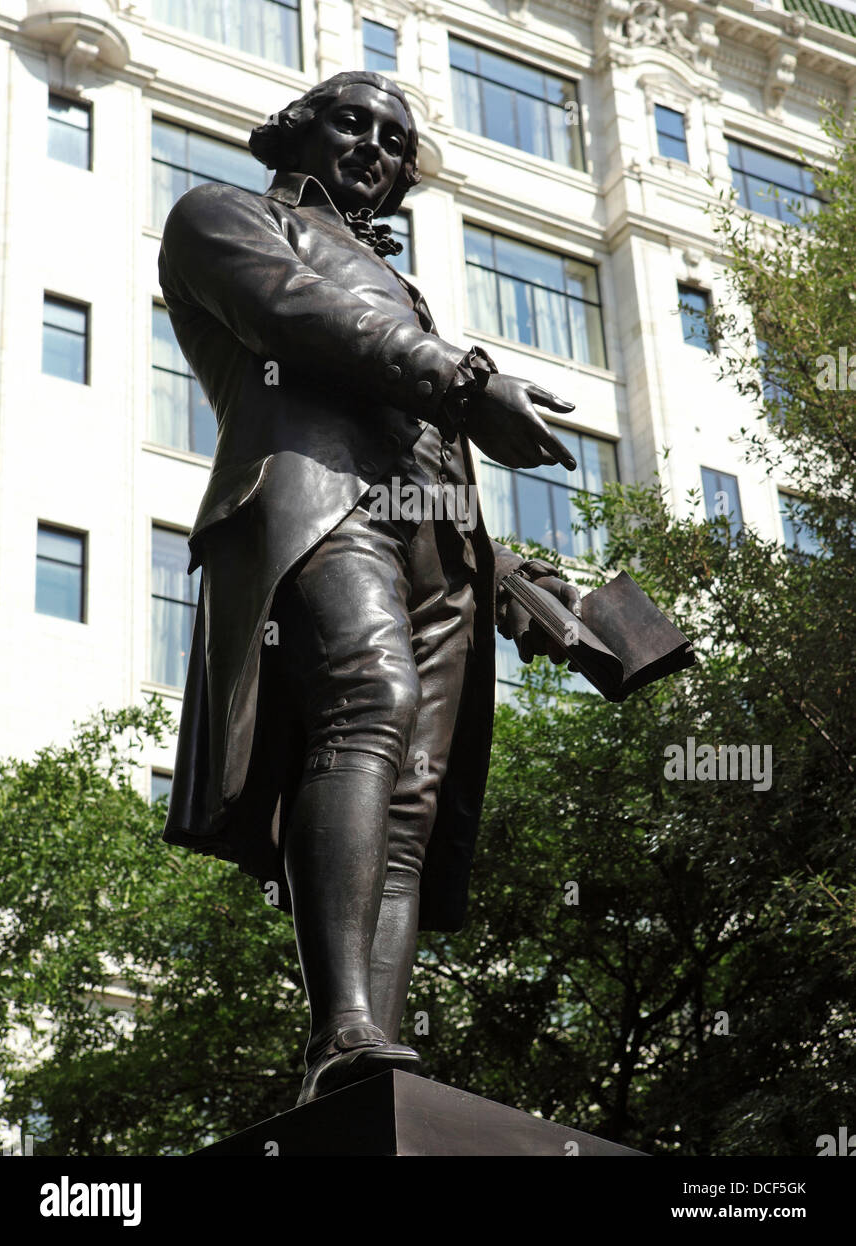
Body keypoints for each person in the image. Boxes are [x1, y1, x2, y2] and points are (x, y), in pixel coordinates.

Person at [158, 71, 582, 1105]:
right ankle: (341, 1023)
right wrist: (468, 382)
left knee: (412, 802)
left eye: (395, 141)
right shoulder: (223, 217)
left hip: (433, 552)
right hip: (314, 506)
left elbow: (426, 443)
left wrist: (516, 584)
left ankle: (360, 1064)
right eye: (351, 123)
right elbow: (290, 316)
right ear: (290, 133)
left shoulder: (409, 294)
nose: (374, 149)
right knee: (367, 701)